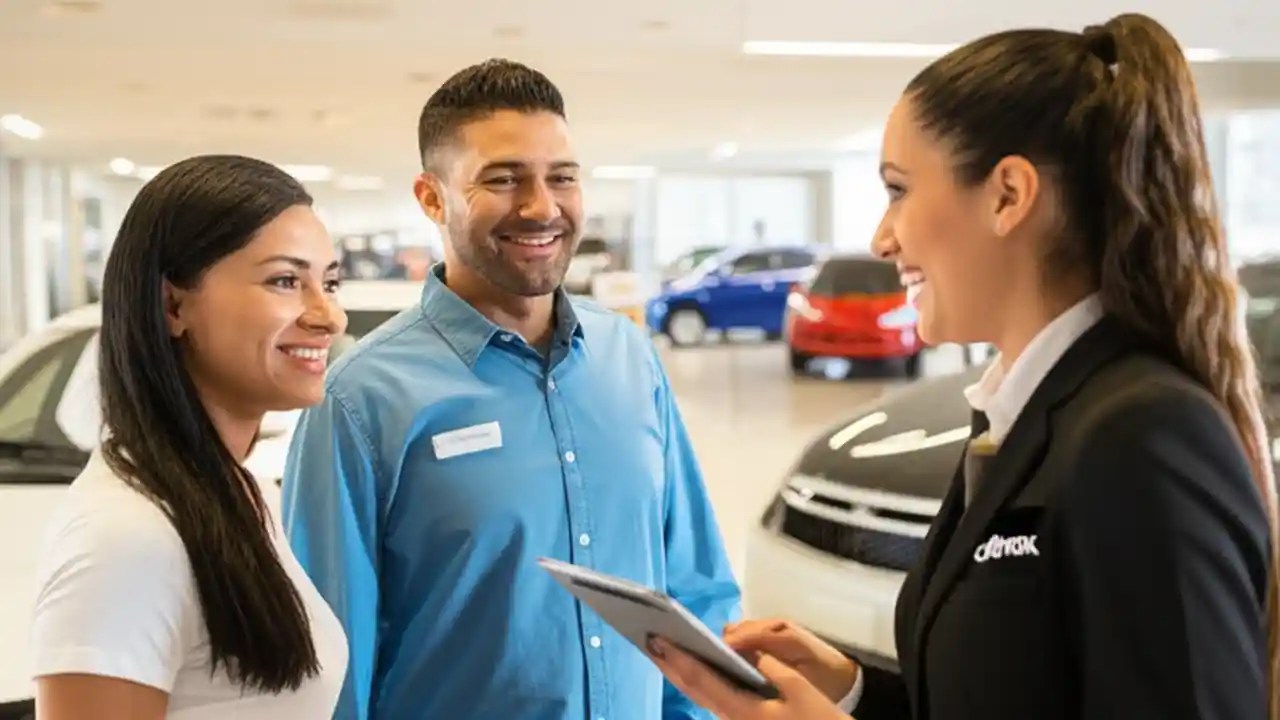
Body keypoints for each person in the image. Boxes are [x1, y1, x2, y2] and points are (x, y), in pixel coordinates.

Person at [647, 12, 1279, 720]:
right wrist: (852, 693)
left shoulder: (1147, 435)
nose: (882, 238)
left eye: (897, 189)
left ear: (1008, 195)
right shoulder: (1022, 418)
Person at [281, 58, 740, 720]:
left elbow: (695, 589)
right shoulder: (362, 399)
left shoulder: (628, 358)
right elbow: (331, 660)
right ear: (432, 198)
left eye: (562, 178)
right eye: (503, 179)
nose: (541, 207)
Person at [30, 154, 350, 718]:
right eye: (285, 280)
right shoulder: (127, 536)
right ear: (172, 304)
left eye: (328, 282)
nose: (329, 316)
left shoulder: (236, 493)